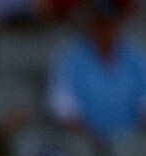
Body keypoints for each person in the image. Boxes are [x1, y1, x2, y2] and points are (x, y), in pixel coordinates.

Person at [48, 0, 146, 140]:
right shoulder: (71, 57)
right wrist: (88, 137)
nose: (105, 30)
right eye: (100, 23)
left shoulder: (135, 55)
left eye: (110, 23)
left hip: (130, 137)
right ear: (90, 24)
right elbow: (62, 106)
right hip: (85, 138)